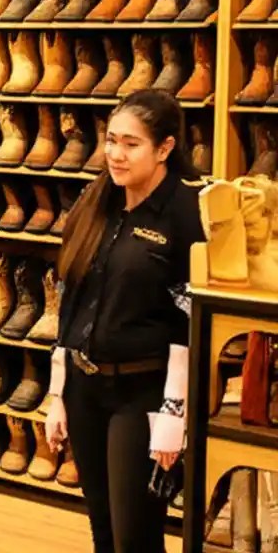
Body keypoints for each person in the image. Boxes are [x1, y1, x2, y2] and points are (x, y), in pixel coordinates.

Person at [45, 90, 205, 552]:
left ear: (165, 148)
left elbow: (190, 319)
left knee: (135, 538)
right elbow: (71, 301)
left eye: (131, 144)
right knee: (103, 530)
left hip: (143, 393)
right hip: (85, 387)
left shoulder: (187, 213)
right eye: (112, 140)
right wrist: (57, 394)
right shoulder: (97, 201)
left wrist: (175, 413)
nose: (115, 154)